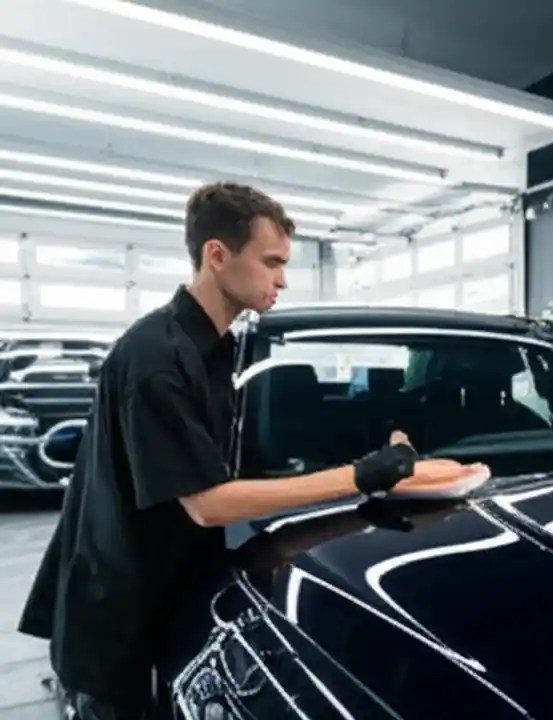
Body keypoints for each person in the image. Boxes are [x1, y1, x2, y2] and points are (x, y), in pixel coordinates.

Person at [18, 182, 484, 719]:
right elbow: (210, 504)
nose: (283, 278)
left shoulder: (214, 347)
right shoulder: (157, 360)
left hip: (174, 593)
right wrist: (365, 475)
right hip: (122, 620)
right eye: (271, 262)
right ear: (217, 255)